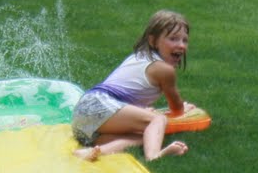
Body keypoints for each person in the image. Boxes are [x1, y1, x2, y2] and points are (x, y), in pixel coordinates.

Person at [71, 9, 194, 161]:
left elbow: (126, 94)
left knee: (146, 135)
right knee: (157, 120)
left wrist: (141, 111)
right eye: (173, 39)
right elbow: (177, 108)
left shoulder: (139, 56)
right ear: (153, 40)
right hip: (100, 104)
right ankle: (154, 156)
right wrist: (183, 109)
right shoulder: (164, 70)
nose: (181, 45)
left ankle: (95, 151)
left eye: (184, 40)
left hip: (83, 118)